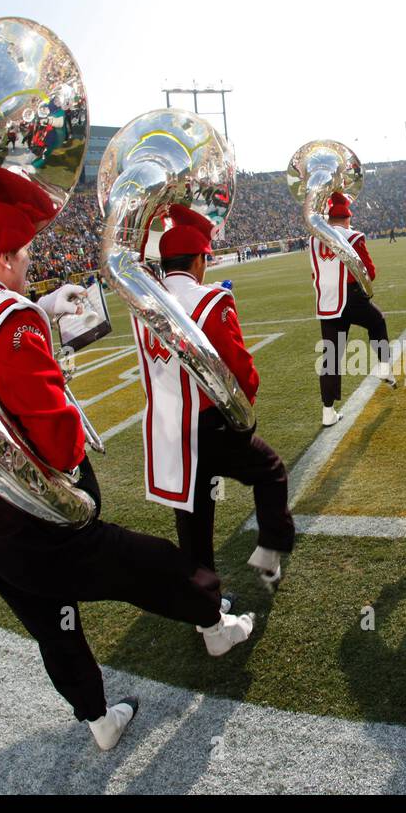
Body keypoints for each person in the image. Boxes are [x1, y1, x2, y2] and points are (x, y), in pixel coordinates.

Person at [0, 165, 252, 754]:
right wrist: (54, 368)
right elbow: (57, 441)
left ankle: (98, 718)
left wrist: (48, 315)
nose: (29, 264)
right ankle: (215, 623)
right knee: (149, 563)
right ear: (4, 260)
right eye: (24, 256)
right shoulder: (12, 321)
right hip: (29, 514)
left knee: (53, 623)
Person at [134, 204, 296, 591]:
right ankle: (270, 552)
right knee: (270, 470)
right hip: (211, 424)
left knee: (193, 518)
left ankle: (204, 609)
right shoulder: (212, 302)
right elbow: (240, 370)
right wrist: (245, 413)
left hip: (169, 430)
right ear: (199, 260)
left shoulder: (141, 304)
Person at [309, 192, 395, 428]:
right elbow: (370, 272)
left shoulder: (314, 239)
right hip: (350, 298)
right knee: (378, 321)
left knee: (331, 359)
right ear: (347, 219)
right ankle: (384, 366)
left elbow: (315, 273)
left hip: (326, 303)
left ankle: (328, 411)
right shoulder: (354, 237)